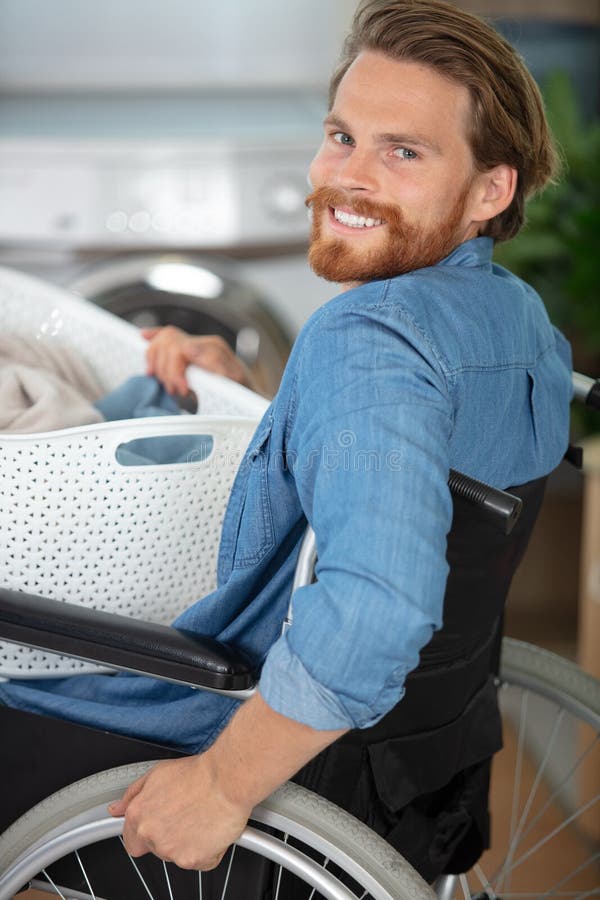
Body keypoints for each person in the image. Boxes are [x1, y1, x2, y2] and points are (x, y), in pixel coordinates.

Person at [0, 0, 572, 880]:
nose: (347, 176)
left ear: (491, 189)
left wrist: (224, 787)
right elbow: (406, 453)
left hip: (228, 727)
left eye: (403, 152)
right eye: (342, 136)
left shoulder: (368, 340)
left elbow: (378, 609)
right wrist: (258, 392)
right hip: (420, 756)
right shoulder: (519, 323)